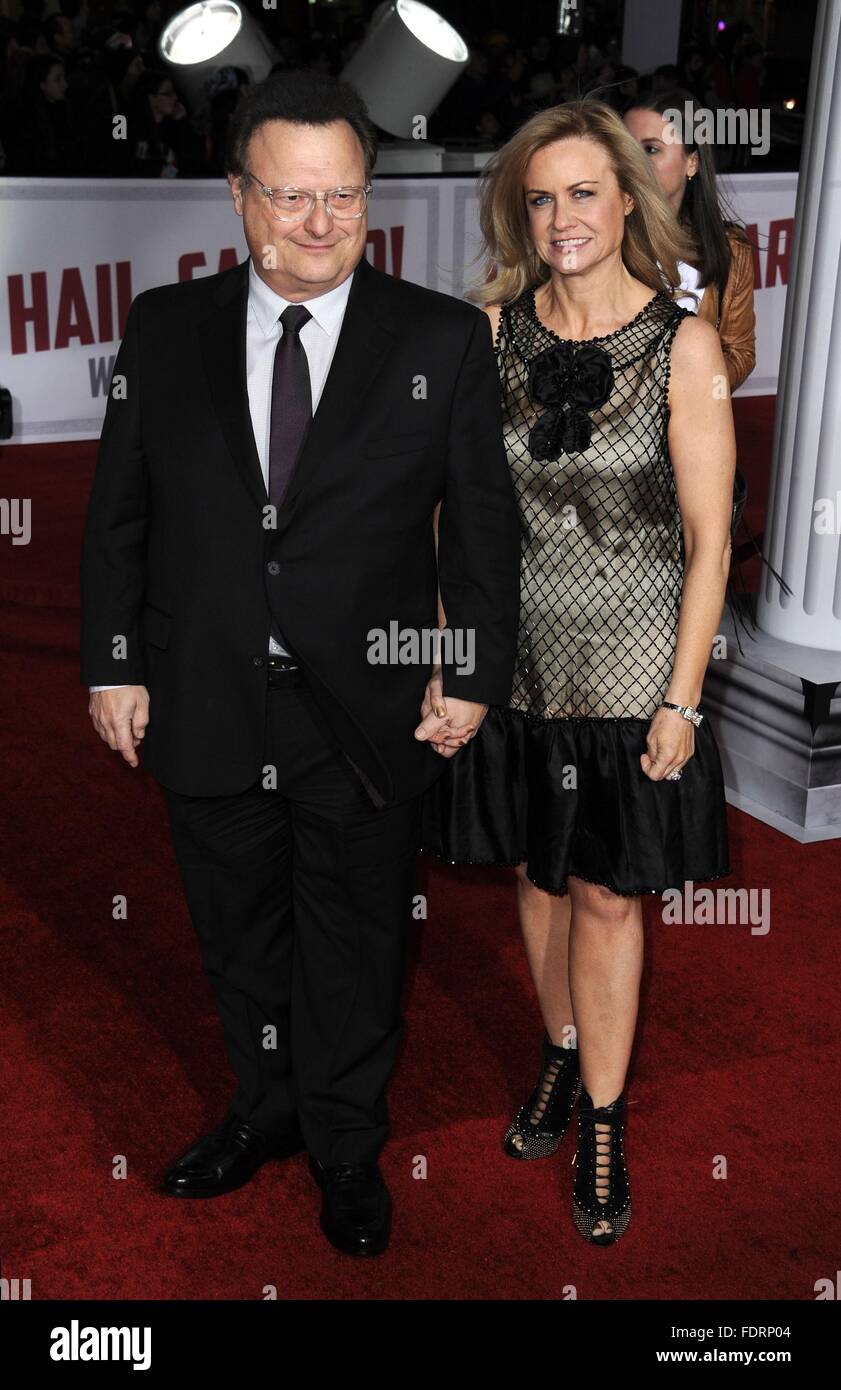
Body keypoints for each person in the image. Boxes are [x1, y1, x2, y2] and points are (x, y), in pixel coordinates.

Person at [80, 70, 520, 1257]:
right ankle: (261, 1108)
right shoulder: (163, 332)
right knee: (236, 933)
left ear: (368, 198)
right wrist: (114, 663)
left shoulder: (439, 338)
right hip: (206, 694)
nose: (318, 224)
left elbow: (482, 530)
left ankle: (342, 1142)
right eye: (289, 197)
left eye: (343, 197)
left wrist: (467, 666)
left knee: (358, 938)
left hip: (364, 706)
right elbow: (118, 514)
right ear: (237, 197)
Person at [422, 99, 735, 1245]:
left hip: (632, 677)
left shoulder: (684, 344)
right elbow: (457, 522)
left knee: (607, 891)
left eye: (584, 193)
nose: (561, 217)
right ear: (518, 208)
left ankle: (602, 1113)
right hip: (514, 672)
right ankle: (558, 1054)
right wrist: (456, 666)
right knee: (537, 880)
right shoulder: (487, 333)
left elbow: (709, 540)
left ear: (629, 202)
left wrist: (682, 698)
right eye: (539, 196)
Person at [624, 88, 756, 391]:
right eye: (626, 149)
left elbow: (739, 352)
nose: (633, 163)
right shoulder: (599, 235)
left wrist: (687, 395)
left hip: (684, 427)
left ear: (692, 163)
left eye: (651, 149)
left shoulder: (728, 248)